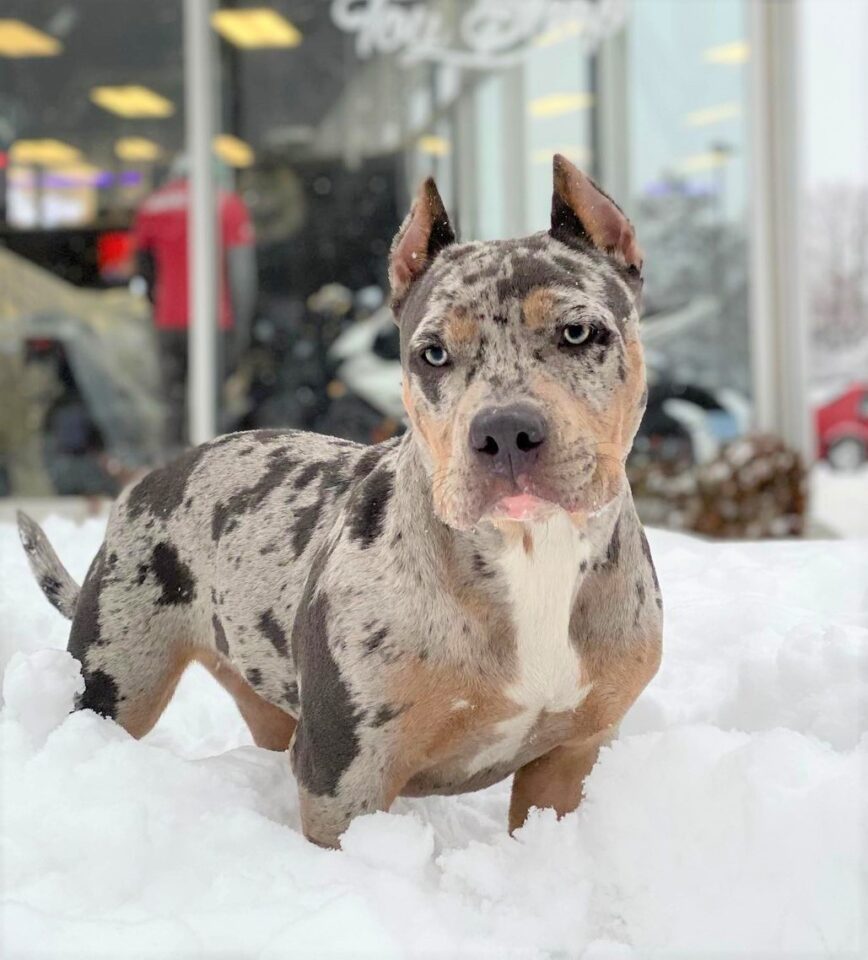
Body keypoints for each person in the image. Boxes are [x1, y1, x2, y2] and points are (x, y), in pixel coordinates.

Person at [133, 158, 257, 449]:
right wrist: (242, 333)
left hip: (167, 321)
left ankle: (167, 476)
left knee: (172, 406)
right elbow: (242, 276)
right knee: (210, 409)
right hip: (215, 320)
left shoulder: (152, 205)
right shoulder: (227, 204)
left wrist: (157, 307)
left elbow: (143, 269)